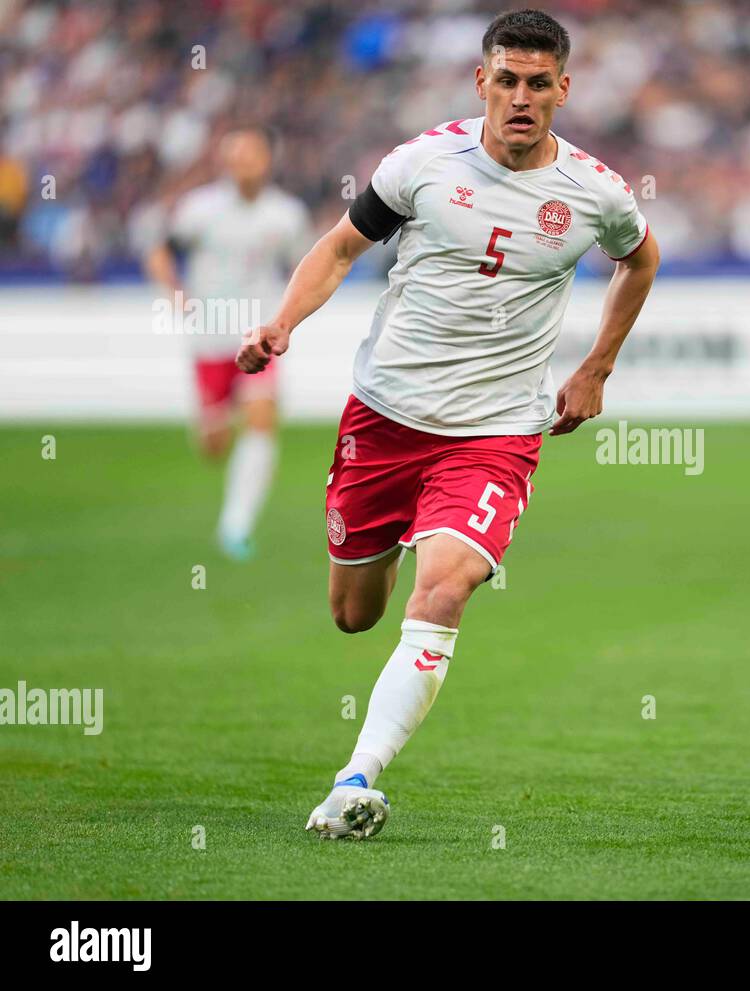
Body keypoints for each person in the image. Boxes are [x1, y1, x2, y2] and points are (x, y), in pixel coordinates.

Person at [236, 9, 660, 839]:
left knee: (448, 585)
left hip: (496, 431)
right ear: (482, 82)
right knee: (354, 614)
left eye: (540, 83)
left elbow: (641, 258)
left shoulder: (594, 193)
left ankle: (356, 779)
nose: (522, 97)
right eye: (507, 80)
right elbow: (335, 250)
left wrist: (596, 366)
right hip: (386, 418)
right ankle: (400, 534)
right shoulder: (423, 164)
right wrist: (283, 323)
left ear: (563, 89)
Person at [146, 127, 313, 560]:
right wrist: (174, 291)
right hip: (209, 338)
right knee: (214, 444)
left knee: (261, 417)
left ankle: (235, 527)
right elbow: (161, 252)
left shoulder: (286, 214)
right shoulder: (199, 210)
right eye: (237, 157)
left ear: (267, 161)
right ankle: (213, 425)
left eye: (253, 157)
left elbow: (305, 266)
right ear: (226, 163)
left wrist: (288, 316)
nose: (245, 166)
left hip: (256, 336)